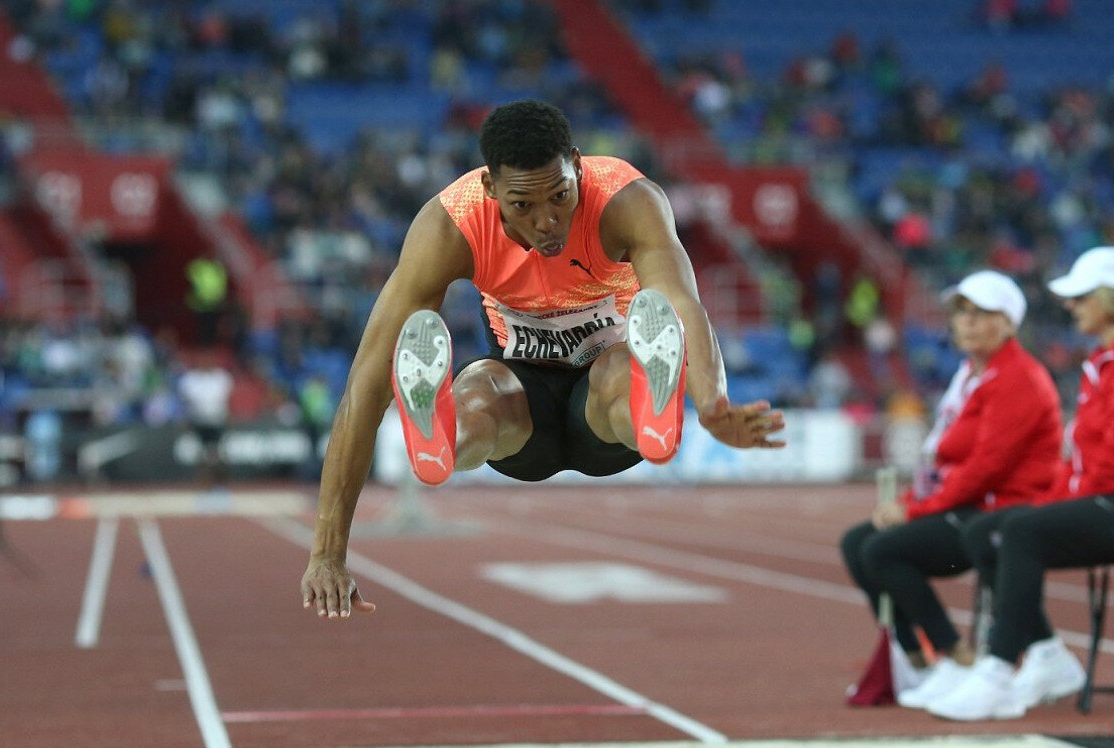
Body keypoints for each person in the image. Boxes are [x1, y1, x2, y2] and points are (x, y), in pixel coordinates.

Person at [300, 99, 786, 619]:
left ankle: (651, 418)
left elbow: (682, 302)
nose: (548, 220)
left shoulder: (627, 200)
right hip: (522, 400)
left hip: (603, 399)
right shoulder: (451, 225)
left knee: (618, 370)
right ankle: (442, 437)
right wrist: (327, 553)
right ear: (490, 190)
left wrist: (711, 399)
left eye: (560, 195)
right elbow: (367, 384)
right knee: (481, 387)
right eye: (522, 206)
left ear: (578, 165)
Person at [840, 270, 1063, 707]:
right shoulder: (970, 375)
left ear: (1009, 323)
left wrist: (918, 511)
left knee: (882, 550)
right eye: (962, 313)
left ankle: (955, 656)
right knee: (857, 542)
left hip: (1002, 507)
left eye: (982, 314)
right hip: (968, 502)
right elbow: (945, 461)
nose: (967, 323)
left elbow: (986, 467)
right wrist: (908, 502)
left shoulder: (1017, 377)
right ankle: (920, 661)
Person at [926, 247, 1114, 721]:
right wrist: (1055, 502)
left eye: (1081, 296)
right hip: (1098, 500)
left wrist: (1054, 507)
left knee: (1021, 530)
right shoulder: (1100, 364)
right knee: (984, 529)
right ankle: (1048, 656)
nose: (1070, 306)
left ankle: (999, 670)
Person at [177, 347, 234, 485]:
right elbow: (185, 403)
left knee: (220, 453)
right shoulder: (189, 379)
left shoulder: (222, 377)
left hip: (217, 420)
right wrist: (185, 421)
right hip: (198, 420)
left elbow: (227, 401)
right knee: (200, 454)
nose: (206, 362)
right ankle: (202, 481)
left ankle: (222, 481)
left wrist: (228, 419)